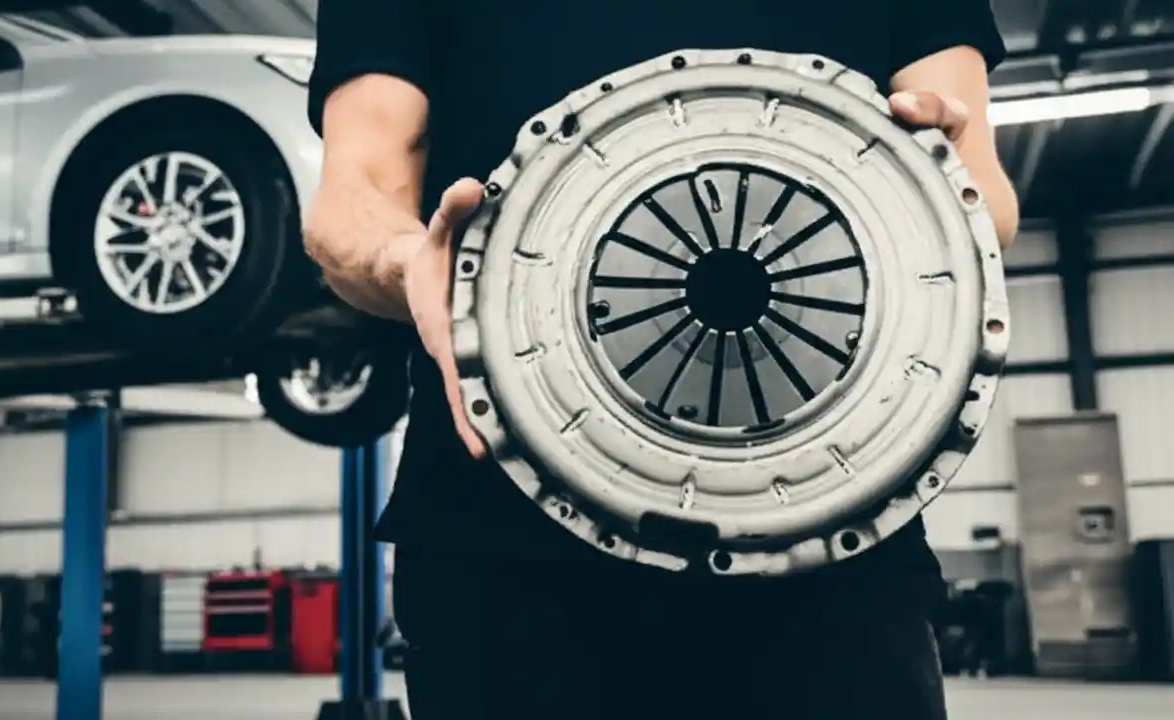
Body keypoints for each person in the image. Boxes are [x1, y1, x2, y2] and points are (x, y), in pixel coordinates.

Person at [304, 2, 1020, 719]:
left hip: (833, 535)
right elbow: (352, 197)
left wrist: (936, 186)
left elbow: (982, 191)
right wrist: (408, 263)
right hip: (508, 545)